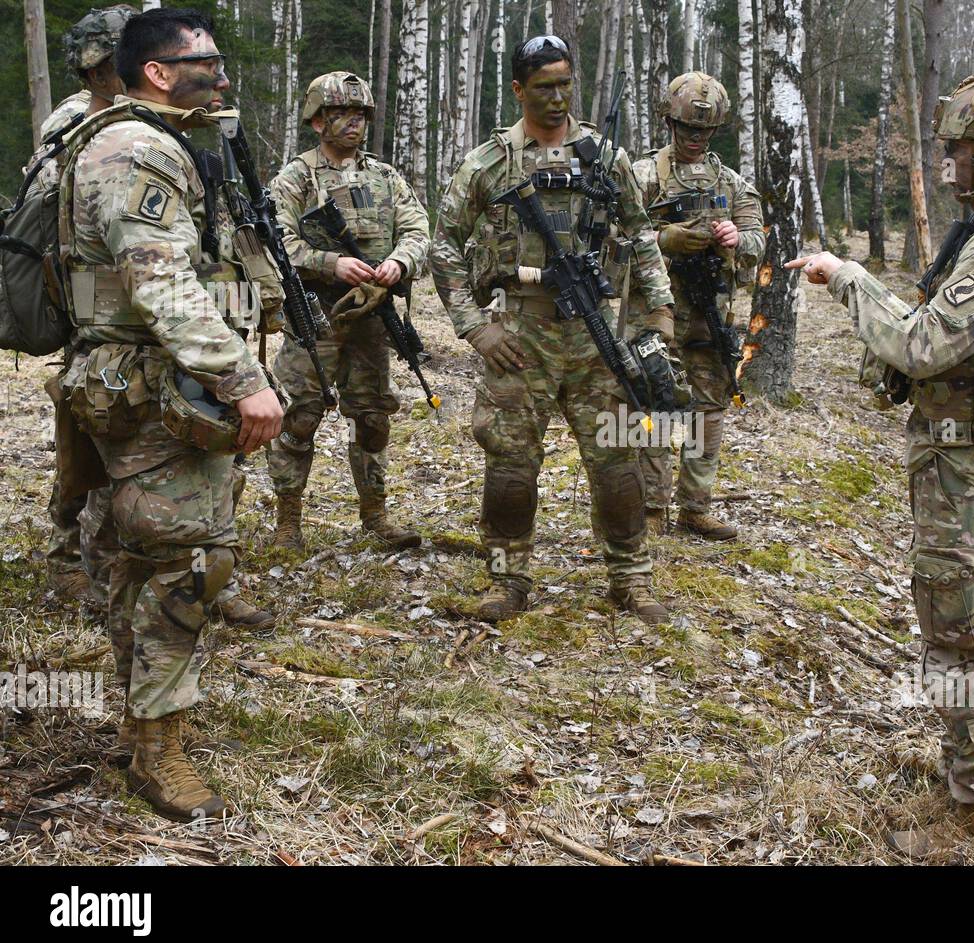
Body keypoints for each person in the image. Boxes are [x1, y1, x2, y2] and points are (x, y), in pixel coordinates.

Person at [788, 75, 974, 856]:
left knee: (967, 637)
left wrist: (849, 279)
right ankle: (973, 782)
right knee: (966, 628)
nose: (952, 164)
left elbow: (921, 345)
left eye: (961, 150)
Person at [60, 8, 284, 820]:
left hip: (141, 377)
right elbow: (160, 281)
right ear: (158, 71)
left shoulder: (160, 141)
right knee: (190, 561)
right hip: (156, 382)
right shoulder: (136, 149)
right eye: (207, 63)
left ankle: (141, 716)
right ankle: (160, 749)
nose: (221, 75)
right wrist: (241, 377)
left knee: (132, 550)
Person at [430, 35, 676, 624]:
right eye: (544, 87)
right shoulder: (488, 164)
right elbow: (443, 248)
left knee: (619, 463)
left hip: (596, 338)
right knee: (510, 469)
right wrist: (473, 327)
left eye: (566, 84)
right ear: (518, 90)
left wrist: (661, 311)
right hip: (520, 334)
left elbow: (641, 236)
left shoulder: (606, 159)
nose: (558, 98)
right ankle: (504, 579)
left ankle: (631, 579)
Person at [266, 71, 431, 552]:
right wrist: (331, 263)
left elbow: (418, 228)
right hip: (315, 315)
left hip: (372, 319)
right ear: (317, 121)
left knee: (373, 416)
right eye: (342, 113)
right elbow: (277, 242)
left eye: (360, 114)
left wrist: (400, 262)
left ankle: (375, 514)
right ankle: (287, 520)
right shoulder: (296, 178)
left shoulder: (384, 177)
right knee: (299, 415)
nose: (354, 123)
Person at [32, 5, 139, 611]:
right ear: (97, 70)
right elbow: (58, 210)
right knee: (89, 434)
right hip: (91, 309)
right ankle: (69, 554)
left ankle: (177, 560)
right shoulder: (76, 123)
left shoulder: (169, 119)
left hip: (158, 303)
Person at [631, 71, 765, 539]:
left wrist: (735, 238)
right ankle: (650, 506)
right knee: (654, 402)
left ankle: (695, 505)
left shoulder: (732, 183)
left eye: (704, 132)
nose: (694, 138)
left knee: (708, 409)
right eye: (688, 129)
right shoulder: (644, 175)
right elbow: (611, 235)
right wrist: (663, 238)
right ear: (670, 124)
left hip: (712, 315)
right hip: (657, 313)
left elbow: (757, 240)